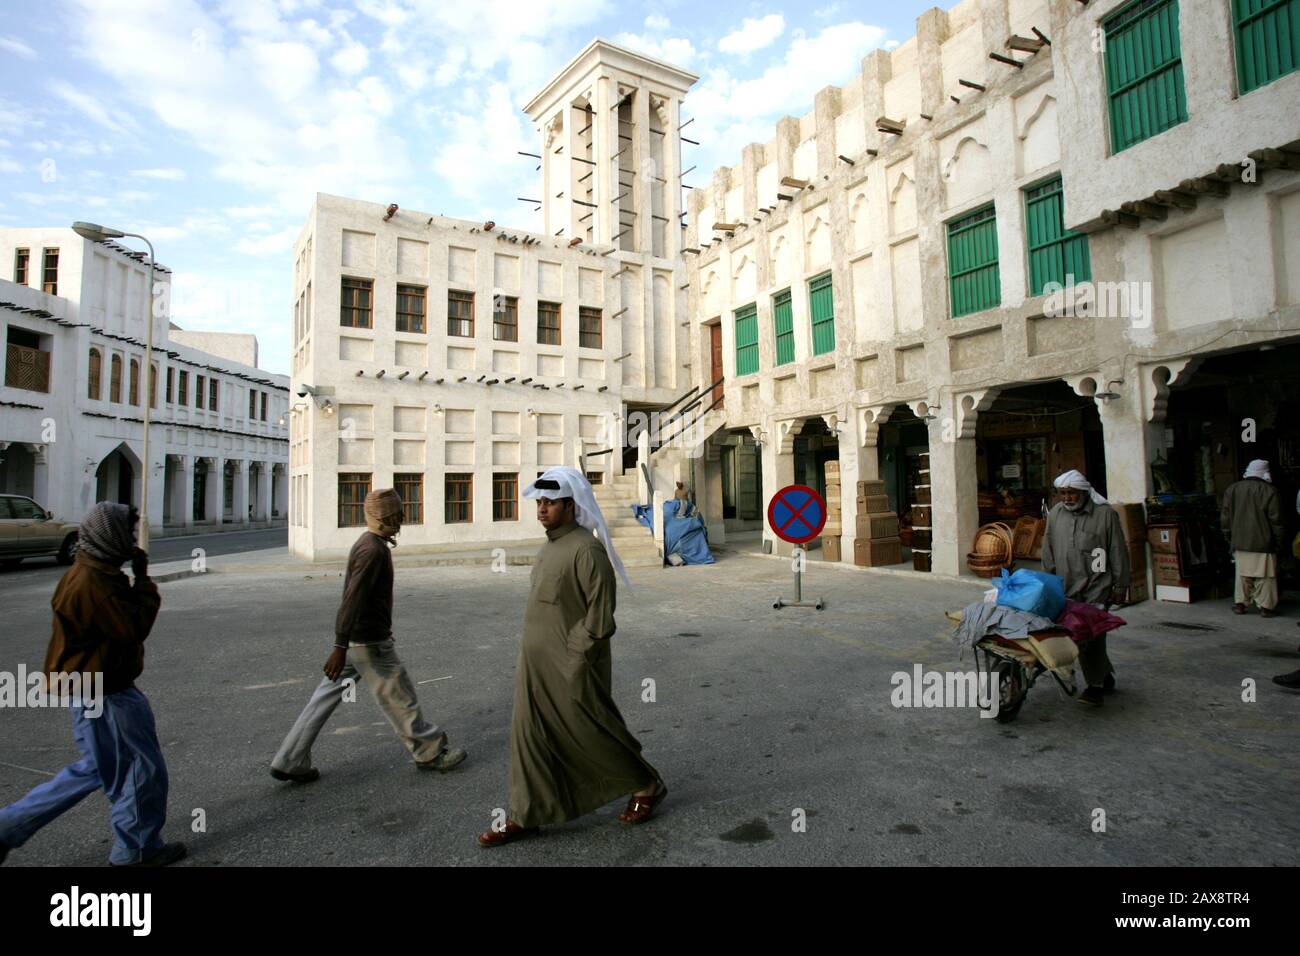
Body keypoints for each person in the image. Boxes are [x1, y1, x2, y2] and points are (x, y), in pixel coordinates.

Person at [479, 466, 665, 848]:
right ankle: (525, 813)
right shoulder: (550, 546)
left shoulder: (586, 548)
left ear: (571, 504)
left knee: (588, 730)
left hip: (570, 664)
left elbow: (600, 616)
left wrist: (575, 657)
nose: (542, 509)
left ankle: (646, 783)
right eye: (540, 502)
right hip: (535, 664)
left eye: (550, 502)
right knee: (529, 736)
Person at [0, 503, 185, 867]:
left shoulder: (93, 571)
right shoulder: (94, 583)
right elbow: (133, 629)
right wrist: (145, 581)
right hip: (107, 691)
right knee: (139, 770)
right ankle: (136, 851)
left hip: (90, 689)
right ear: (109, 536)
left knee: (97, 768)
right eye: (127, 533)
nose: (132, 540)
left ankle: (7, 827)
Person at [270, 489, 466, 781]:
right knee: (400, 698)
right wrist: (339, 644)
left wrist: (343, 644)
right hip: (368, 643)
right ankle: (430, 753)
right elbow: (353, 599)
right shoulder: (373, 550)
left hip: (353, 643)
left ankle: (289, 760)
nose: (402, 520)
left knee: (322, 700)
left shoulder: (368, 543)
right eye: (397, 515)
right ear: (382, 517)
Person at [1040, 469, 1130, 707]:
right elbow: (1048, 547)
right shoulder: (1056, 514)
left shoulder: (1105, 515)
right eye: (1063, 493)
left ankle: (1094, 687)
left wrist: (1121, 584)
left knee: (1092, 637)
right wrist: (1049, 580)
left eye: (1072, 493)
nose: (1067, 498)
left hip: (1096, 585)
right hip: (1066, 585)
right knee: (1073, 635)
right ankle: (1104, 674)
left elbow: (1117, 550)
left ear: (1083, 492)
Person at [1221, 460, 1285, 618]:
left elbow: (1225, 518)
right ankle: (1266, 608)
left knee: (1242, 575)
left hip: (1240, 541)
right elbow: (1277, 521)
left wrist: (1229, 537)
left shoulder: (1232, 489)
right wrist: (1279, 543)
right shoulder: (1270, 491)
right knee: (1266, 576)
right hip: (1264, 542)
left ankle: (1240, 604)